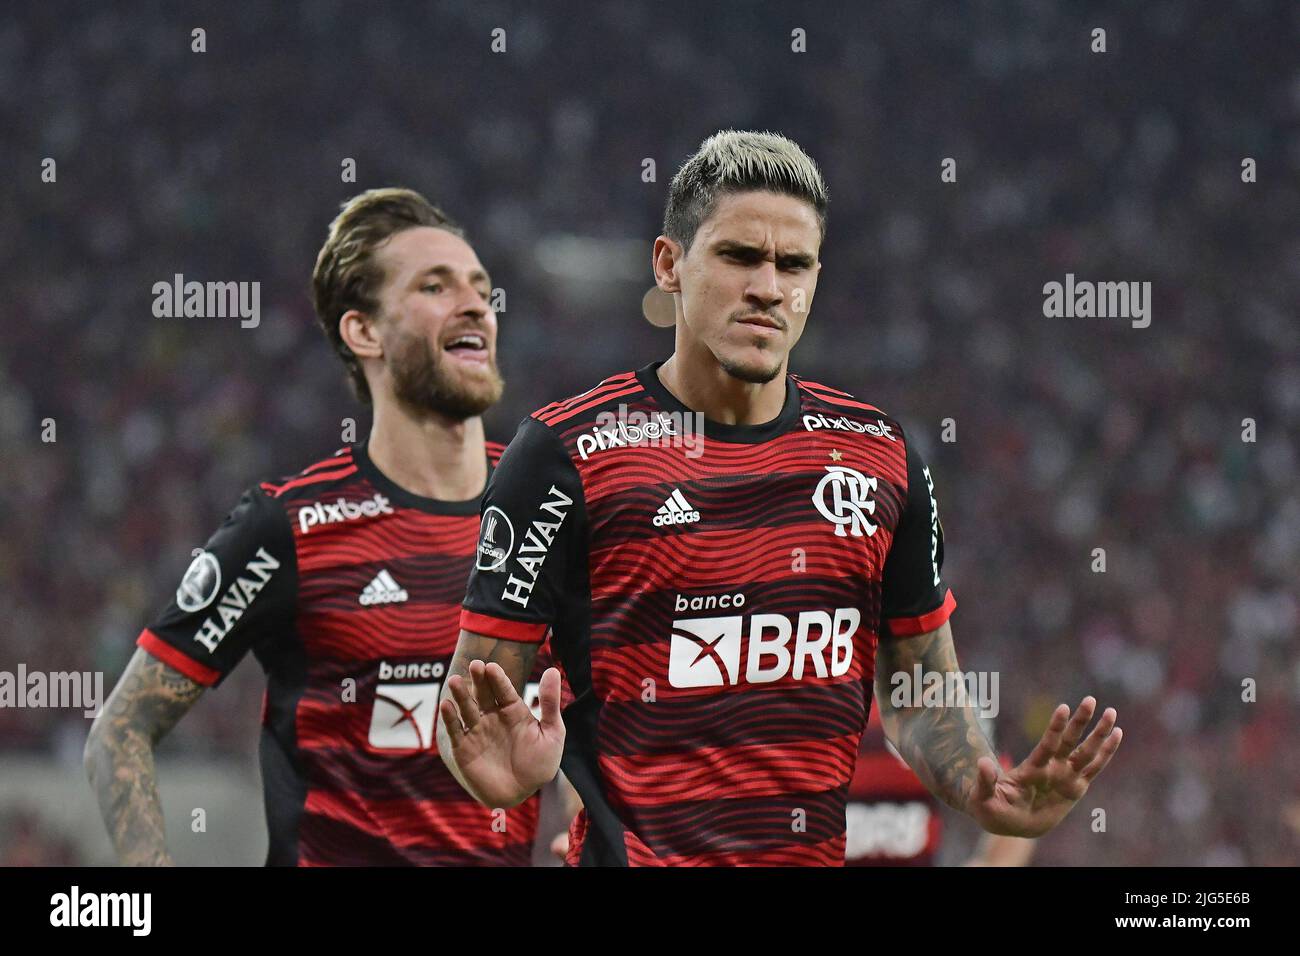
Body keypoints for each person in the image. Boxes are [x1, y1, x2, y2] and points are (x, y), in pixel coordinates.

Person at [437, 131, 1123, 866]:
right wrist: (495, 778)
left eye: (792, 264)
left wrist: (988, 792)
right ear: (670, 265)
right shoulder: (563, 454)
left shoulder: (882, 456)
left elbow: (920, 694)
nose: (768, 286)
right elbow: (478, 703)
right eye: (738, 256)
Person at [85, 187, 552, 865]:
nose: (476, 302)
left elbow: (593, 717)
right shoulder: (289, 527)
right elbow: (121, 727)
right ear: (363, 331)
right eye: (434, 285)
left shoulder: (548, 512)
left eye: (480, 287)